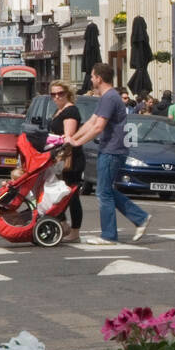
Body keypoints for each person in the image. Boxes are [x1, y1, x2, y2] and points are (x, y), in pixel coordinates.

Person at [64, 62, 151, 245]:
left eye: (93, 76)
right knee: (106, 191)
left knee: (103, 193)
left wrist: (77, 142)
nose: (92, 79)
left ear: (99, 78)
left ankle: (109, 235)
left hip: (112, 150)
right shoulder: (107, 97)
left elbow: (98, 127)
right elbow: (91, 122)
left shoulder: (110, 97)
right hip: (110, 149)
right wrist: (72, 137)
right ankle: (140, 217)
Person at [46, 79, 84, 243]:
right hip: (58, 157)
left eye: (60, 93)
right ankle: (63, 223)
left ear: (68, 94)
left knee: (71, 195)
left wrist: (60, 142)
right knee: (58, 192)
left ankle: (74, 231)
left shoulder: (70, 111)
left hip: (69, 158)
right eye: (53, 94)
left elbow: (69, 136)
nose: (56, 97)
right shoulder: (59, 110)